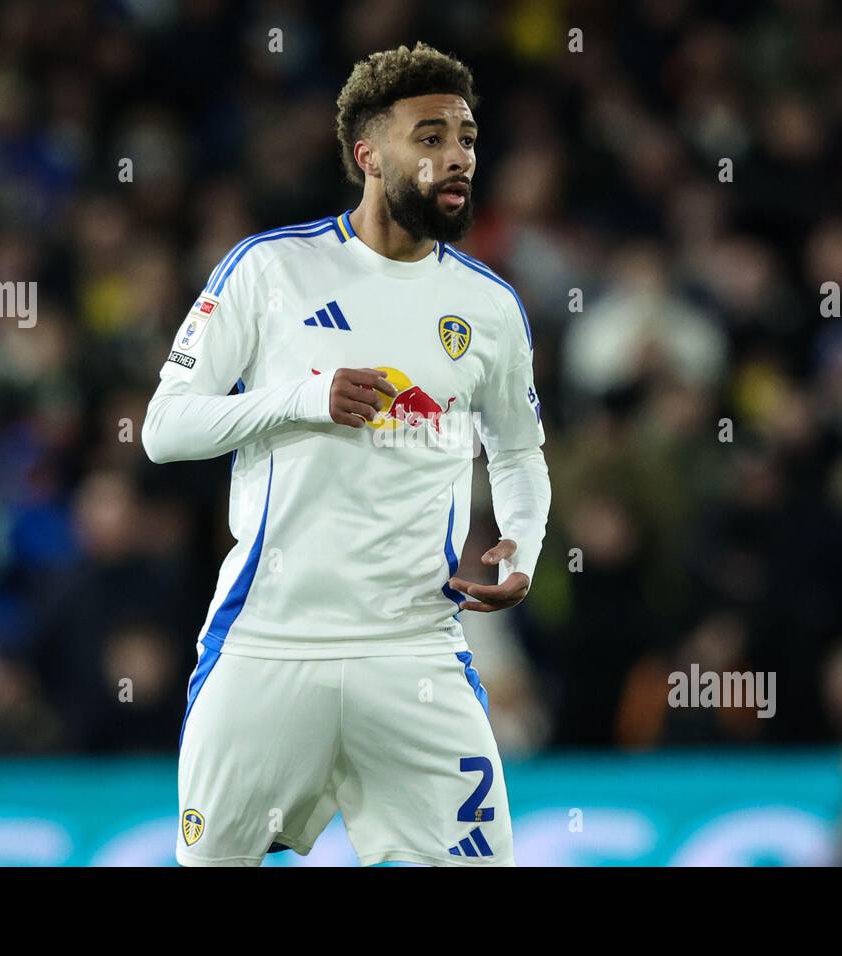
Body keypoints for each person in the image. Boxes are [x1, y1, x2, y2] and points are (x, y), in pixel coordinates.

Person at [142, 42, 550, 867]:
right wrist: (303, 398)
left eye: (467, 137)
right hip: (268, 645)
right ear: (368, 155)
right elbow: (164, 429)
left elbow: (518, 448)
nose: (458, 156)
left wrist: (525, 543)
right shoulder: (271, 271)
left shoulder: (489, 306)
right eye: (429, 137)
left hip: (415, 653)